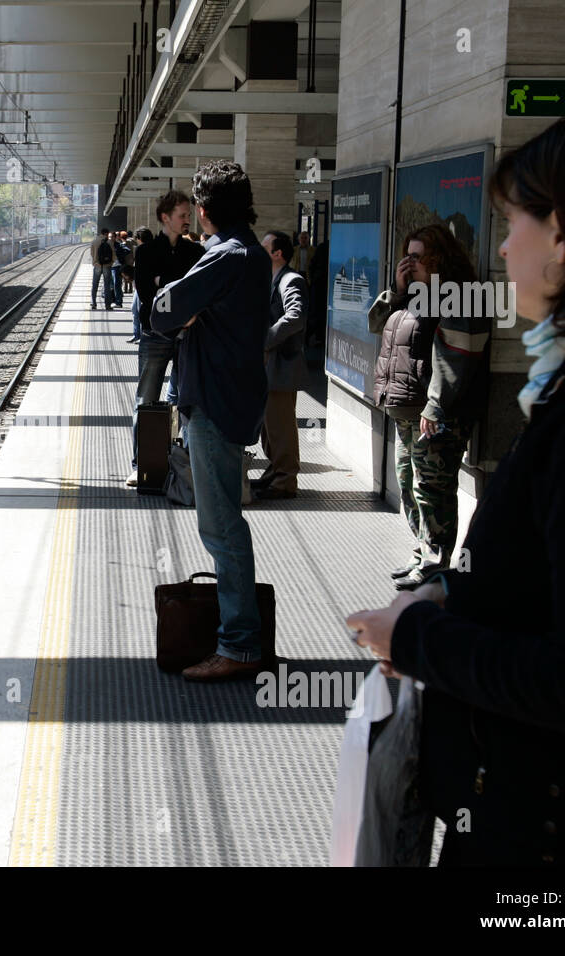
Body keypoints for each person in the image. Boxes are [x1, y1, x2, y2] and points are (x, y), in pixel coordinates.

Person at [347, 104, 565, 866]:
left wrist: (419, 638)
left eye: (514, 221)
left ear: (564, 234)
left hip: (558, 842)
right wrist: (453, 600)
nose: (502, 246)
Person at [150, 162, 271, 681]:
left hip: (215, 404)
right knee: (223, 524)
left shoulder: (224, 257)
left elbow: (159, 311)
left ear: (202, 211)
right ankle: (238, 638)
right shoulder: (252, 255)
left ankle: (240, 645)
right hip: (231, 397)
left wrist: (183, 310)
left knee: (220, 527)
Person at [367, 223, 488, 590]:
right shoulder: (415, 295)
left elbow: (456, 358)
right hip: (407, 411)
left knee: (432, 488)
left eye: (418, 256)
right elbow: (375, 324)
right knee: (407, 483)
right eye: (408, 255)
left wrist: (435, 406)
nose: (410, 263)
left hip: (436, 415)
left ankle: (437, 560)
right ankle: (422, 550)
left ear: (440, 258)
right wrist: (397, 292)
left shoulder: (462, 296)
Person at [128, 191, 203, 486]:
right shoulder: (146, 252)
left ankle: (177, 461)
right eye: (183, 215)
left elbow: (191, 291)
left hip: (186, 334)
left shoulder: (194, 252)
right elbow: (148, 296)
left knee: (182, 399)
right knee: (146, 399)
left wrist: (164, 283)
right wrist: (174, 288)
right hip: (155, 335)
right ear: (165, 217)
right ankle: (140, 464)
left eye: (188, 215)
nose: (188, 220)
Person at [255, 230, 309, 499]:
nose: (259, 250)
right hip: (270, 365)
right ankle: (275, 471)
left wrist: (266, 339)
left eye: (265, 247)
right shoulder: (273, 278)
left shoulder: (291, 280)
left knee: (280, 424)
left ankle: (285, 479)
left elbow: (295, 316)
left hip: (281, 364)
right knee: (269, 425)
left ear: (277, 254)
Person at [127, 227, 153, 343]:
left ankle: (142, 335)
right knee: (135, 309)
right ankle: (137, 334)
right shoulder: (144, 249)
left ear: (139, 238)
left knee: (140, 310)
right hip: (141, 285)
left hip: (143, 286)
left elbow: (140, 269)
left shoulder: (142, 250)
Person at [90, 227, 115, 310]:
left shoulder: (94, 241)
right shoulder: (109, 242)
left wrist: (95, 262)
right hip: (107, 266)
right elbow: (114, 254)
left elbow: (92, 253)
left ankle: (93, 303)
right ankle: (107, 305)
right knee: (107, 286)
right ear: (106, 234)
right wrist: (111, 263)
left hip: (97, 266)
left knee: (95, 285)